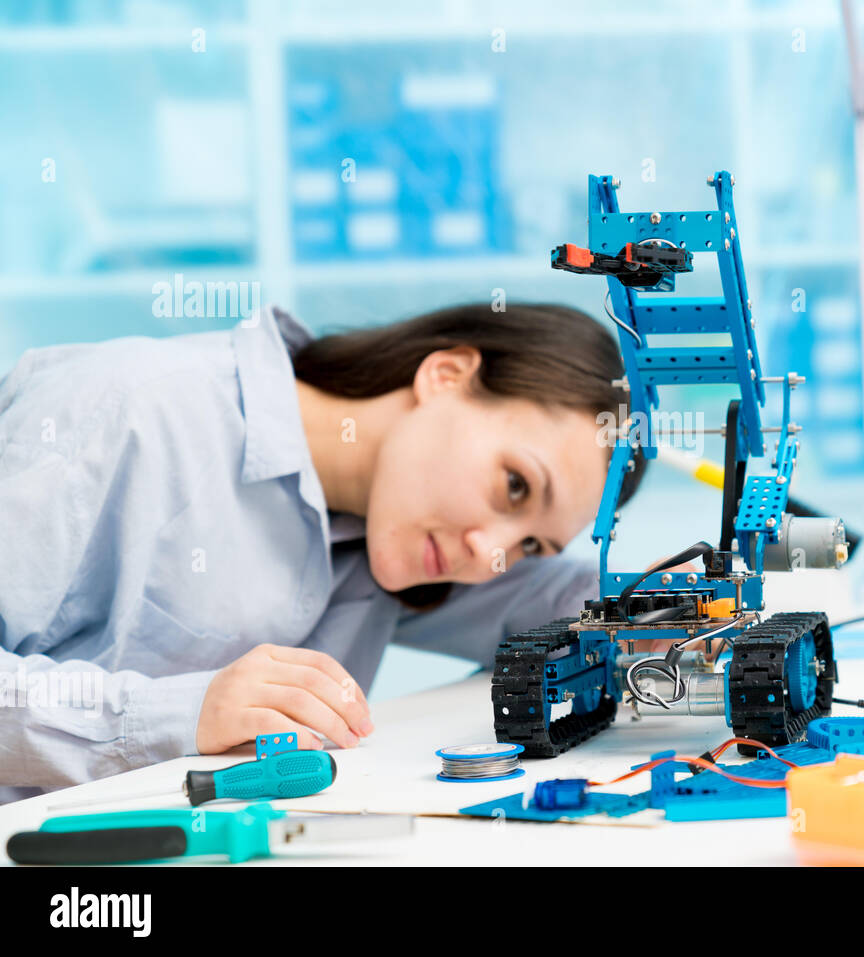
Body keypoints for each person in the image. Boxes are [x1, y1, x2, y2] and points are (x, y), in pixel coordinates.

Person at [0, 303, 645, 800]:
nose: (487, 555)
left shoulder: (389, 535)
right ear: (446, 376)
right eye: (513, 485)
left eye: (530, 543)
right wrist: (180, 714)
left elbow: (567, 600)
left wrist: (695, 607)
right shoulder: (130, 410)